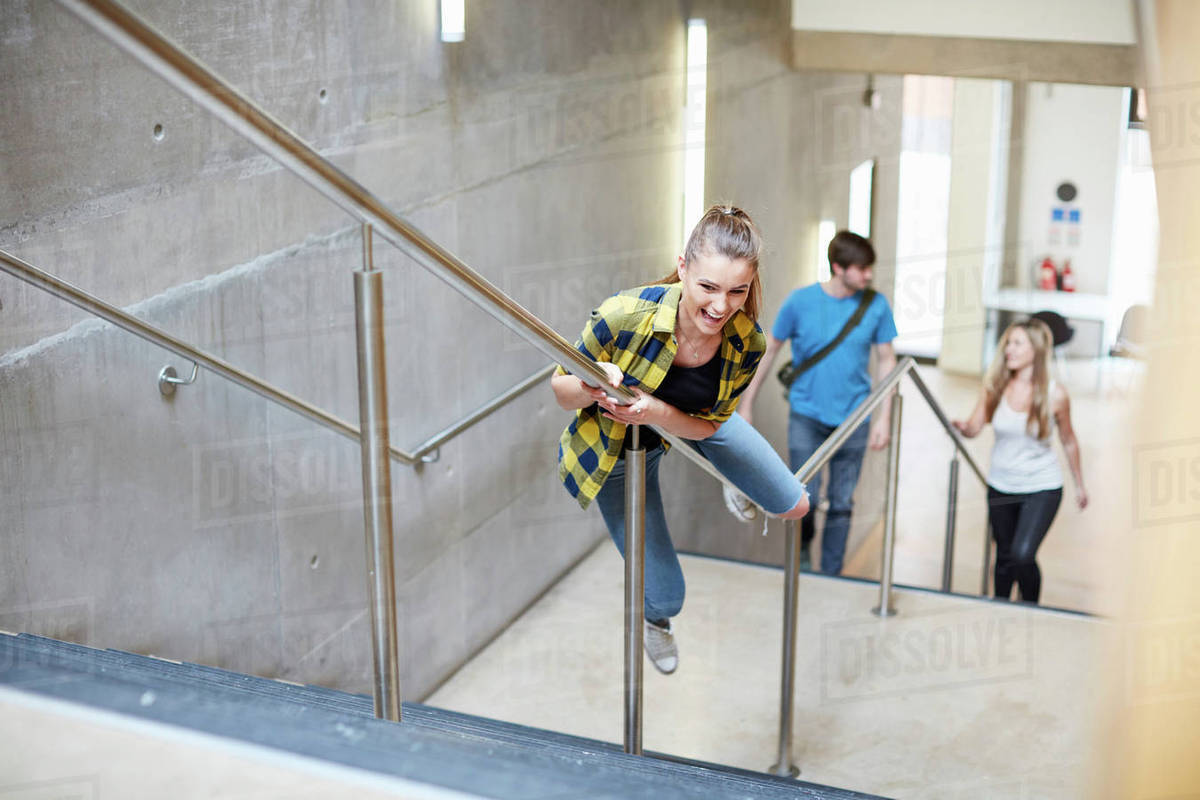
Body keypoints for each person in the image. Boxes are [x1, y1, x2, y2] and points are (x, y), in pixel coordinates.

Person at [550, 205, 810, 675]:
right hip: (620, 447)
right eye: (708, 287)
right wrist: (590, 383)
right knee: (669, 594)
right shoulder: (625, 314)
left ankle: (735, 478)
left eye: (737, 291)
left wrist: (657, 412)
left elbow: (711, 424)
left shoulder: (746, 342)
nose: (720, 306)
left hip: (695, 417)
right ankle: (656, 621)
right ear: (683, 267)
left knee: (795, 504)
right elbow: (560, 390)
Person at [738, 231, 897, 575]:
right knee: (801, 496)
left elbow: (887, 360)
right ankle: (803, 559)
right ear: (838, 268)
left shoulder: (876, 306)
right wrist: (746, 404)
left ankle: (832, 574)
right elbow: (770, 352)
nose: (869, 275)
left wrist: (884, 418)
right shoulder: (800, 302)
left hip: (855, 419)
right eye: (862, 268)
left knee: (841, 503)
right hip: (806, 416)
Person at [951, 318, 1088, 604]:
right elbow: (975, 427)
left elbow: (1069, 440)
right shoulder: (995, 387)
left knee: (1022, 554)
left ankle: (1030, 607)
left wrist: (1079, 485)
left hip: (1042, 486)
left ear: (1036, 350)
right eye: (1008, 343)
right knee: (1003, 557)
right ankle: (1000, 609)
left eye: (1017, 344)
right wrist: (963, 427)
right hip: (1001, 484)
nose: (1008, 350)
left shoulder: (1055, 394)